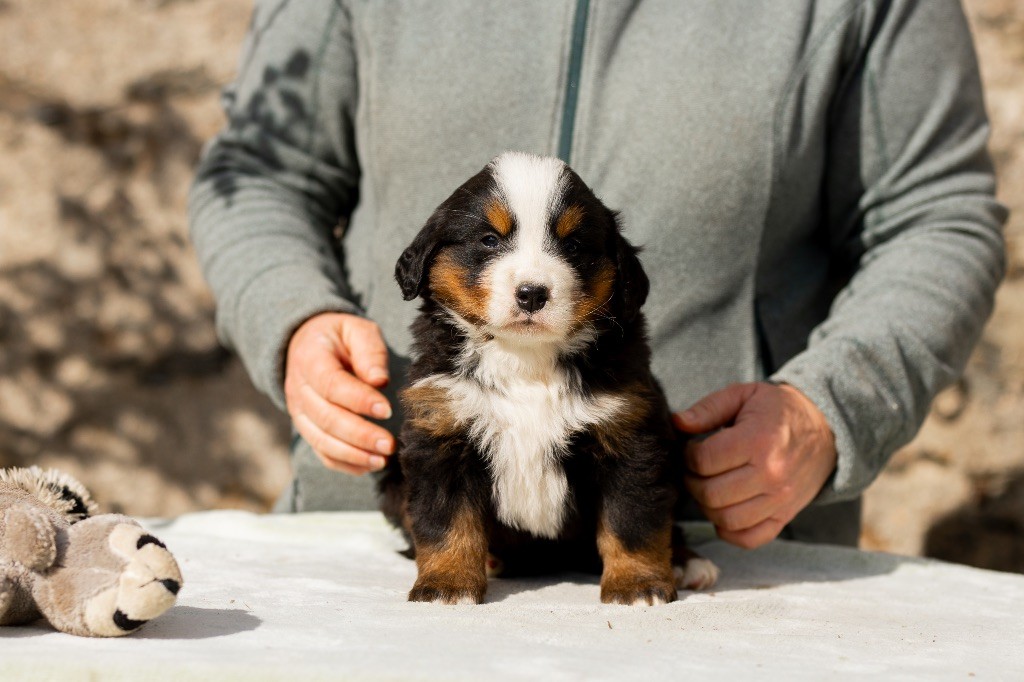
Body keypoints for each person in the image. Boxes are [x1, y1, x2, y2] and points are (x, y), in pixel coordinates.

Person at [189, 0, 1007, 548]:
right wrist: (291, 317)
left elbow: (936, 215)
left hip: (705, 554)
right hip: (391, 536)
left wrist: (830, 406)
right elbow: (260, 170)